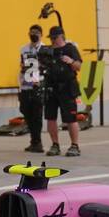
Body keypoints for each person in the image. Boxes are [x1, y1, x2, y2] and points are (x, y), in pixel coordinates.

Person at [42, 25, 83, 157]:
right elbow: (39, 66)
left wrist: (71, 61)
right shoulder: (46, 51)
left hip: (67, 87)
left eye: (55, 37)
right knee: (50, 118)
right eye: (51, 38)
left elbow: (79, 66)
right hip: (51, 87)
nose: (53, 40)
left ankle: (75, 145)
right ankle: (55, 144)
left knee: (71, 118)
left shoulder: (70, 48)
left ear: (61, 36)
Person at [18, 24, 45, 153]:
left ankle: (37, 141)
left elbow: (47, 66)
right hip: (25, 84)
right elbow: (22, 63)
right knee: (25, 110)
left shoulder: (45, 49)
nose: (33, 34)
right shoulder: (24, 49)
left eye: (36, 32)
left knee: (37, 114)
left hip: (38, 84)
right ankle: (34, 139)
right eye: (31, 32)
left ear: (41, 34)